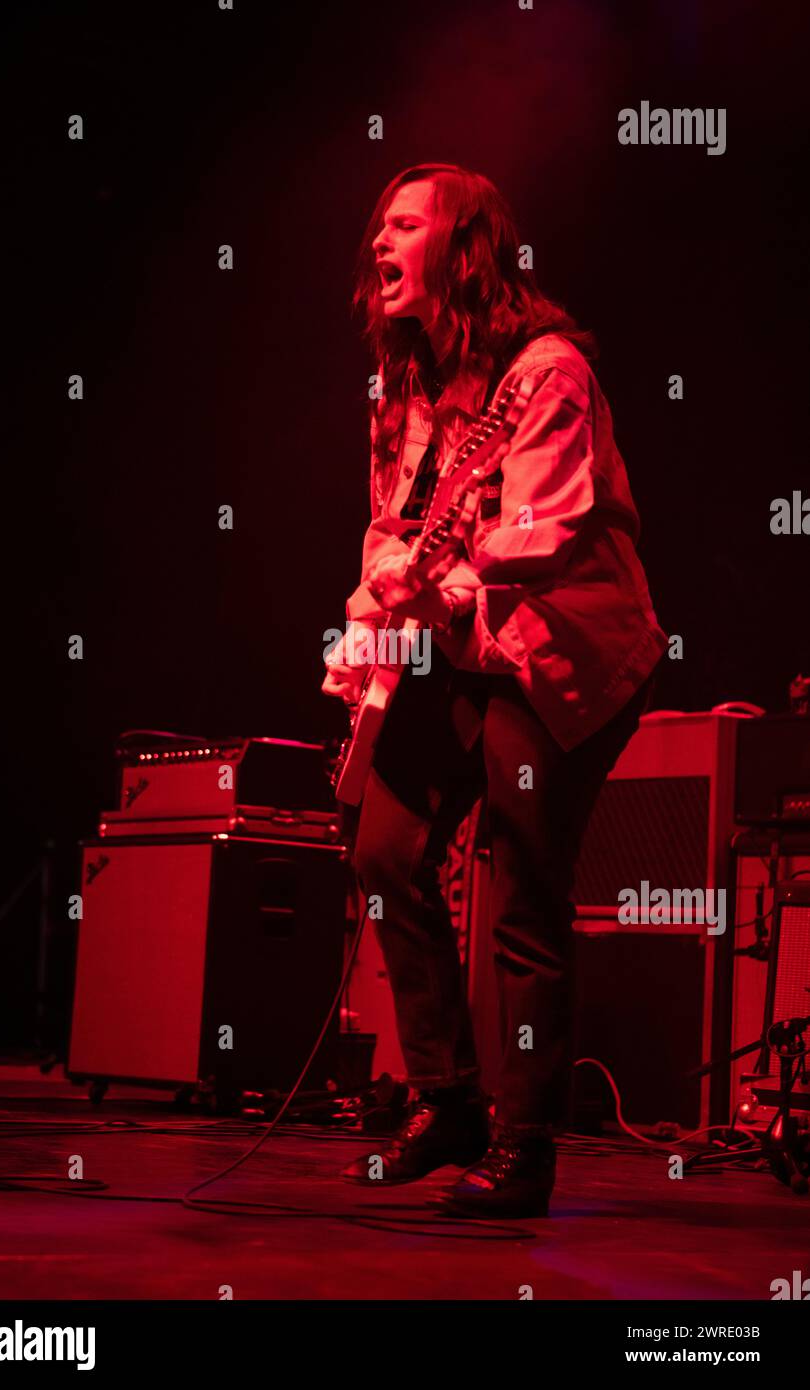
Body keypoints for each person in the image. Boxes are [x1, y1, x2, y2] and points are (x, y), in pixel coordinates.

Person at [322, 163, 667, 1217]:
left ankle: (523, 1148)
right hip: (455, 640)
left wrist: (421, 582)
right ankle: (447, 1099)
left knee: (520, 882)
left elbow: (535, 535)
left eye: (405, 223)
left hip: (554, 648)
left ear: (461, 247)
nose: (379, 240)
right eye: (375, 222)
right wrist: (365, 613)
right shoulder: (403, 385)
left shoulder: (547, 370)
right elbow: (393, 526)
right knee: (381, 848)